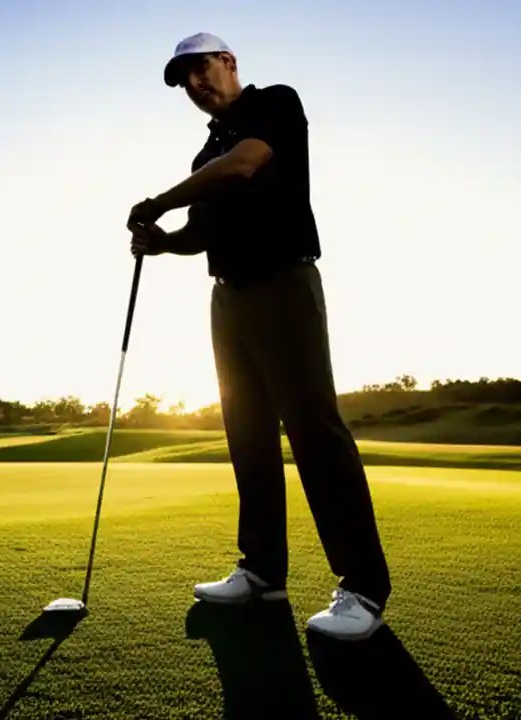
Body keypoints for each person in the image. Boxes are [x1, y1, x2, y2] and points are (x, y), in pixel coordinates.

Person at [125, 32, 391, 641]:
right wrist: (163, 241)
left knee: (313, 430)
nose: (194, 85)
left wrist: (156, 202)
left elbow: (245, 164)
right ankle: (263, 572)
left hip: (285, 284)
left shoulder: (275, 104)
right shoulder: (202, 157)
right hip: (229, 296)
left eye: (199, 70)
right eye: (183, 80)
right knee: (246, 437)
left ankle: (363, 588)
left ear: (227, 62)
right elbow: (200, 231)